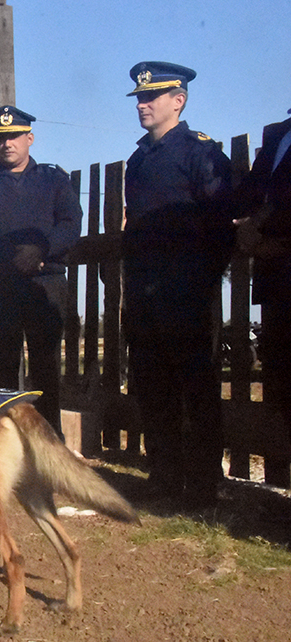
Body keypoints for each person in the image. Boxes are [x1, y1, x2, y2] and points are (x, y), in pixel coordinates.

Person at [121, 61, 238, 509]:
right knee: (153, 389)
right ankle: (164, 479)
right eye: (139, 98)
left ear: (178, 100)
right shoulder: (137, 160)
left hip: (186, 294)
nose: (143, 104)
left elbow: (220, 225)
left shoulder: (200, 152)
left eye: (152, 97)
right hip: (146, 294)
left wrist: (201, 281)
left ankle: (203, 486)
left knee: (197, 391)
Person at [0, 106, 82, 437]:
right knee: (0, 368)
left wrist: (41, 251)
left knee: (46, 368)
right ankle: (4, 442)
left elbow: (71, 224)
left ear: (30, 138)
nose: (7, 144)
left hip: (45, 284)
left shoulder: (54, 180)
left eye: (14, 136)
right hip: (0, 286)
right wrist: (15, 256)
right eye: (0, 138)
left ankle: (48, 442)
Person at [236, 110, 291, 458]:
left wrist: (269, 224)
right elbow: (255, 195)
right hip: (279, 281)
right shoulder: (278, 135)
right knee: (284, 391)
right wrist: (249, 227)